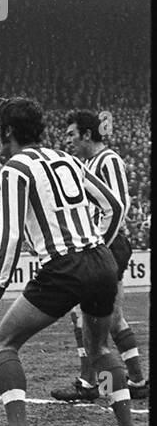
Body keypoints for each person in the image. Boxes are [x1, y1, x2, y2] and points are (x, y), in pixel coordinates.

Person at [0, 98, 142, 426]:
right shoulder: (68, 160)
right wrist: (103, 249)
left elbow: (12, 236)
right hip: (100, 262)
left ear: (9, 131)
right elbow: (113, 205)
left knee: (2, 343)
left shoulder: (15, 168)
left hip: (63, 267)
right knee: (99, 351)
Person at [51, 109, 148, 401]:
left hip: (108, 244)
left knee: (94, 319)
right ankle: (132, 382)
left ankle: (98, 386)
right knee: (105, 318)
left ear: (87, 134)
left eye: (71, 134)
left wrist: (99, 248)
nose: (67, 140)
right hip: (101, 246)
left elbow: (118, 206)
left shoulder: (108, 160)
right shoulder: (88, 162)